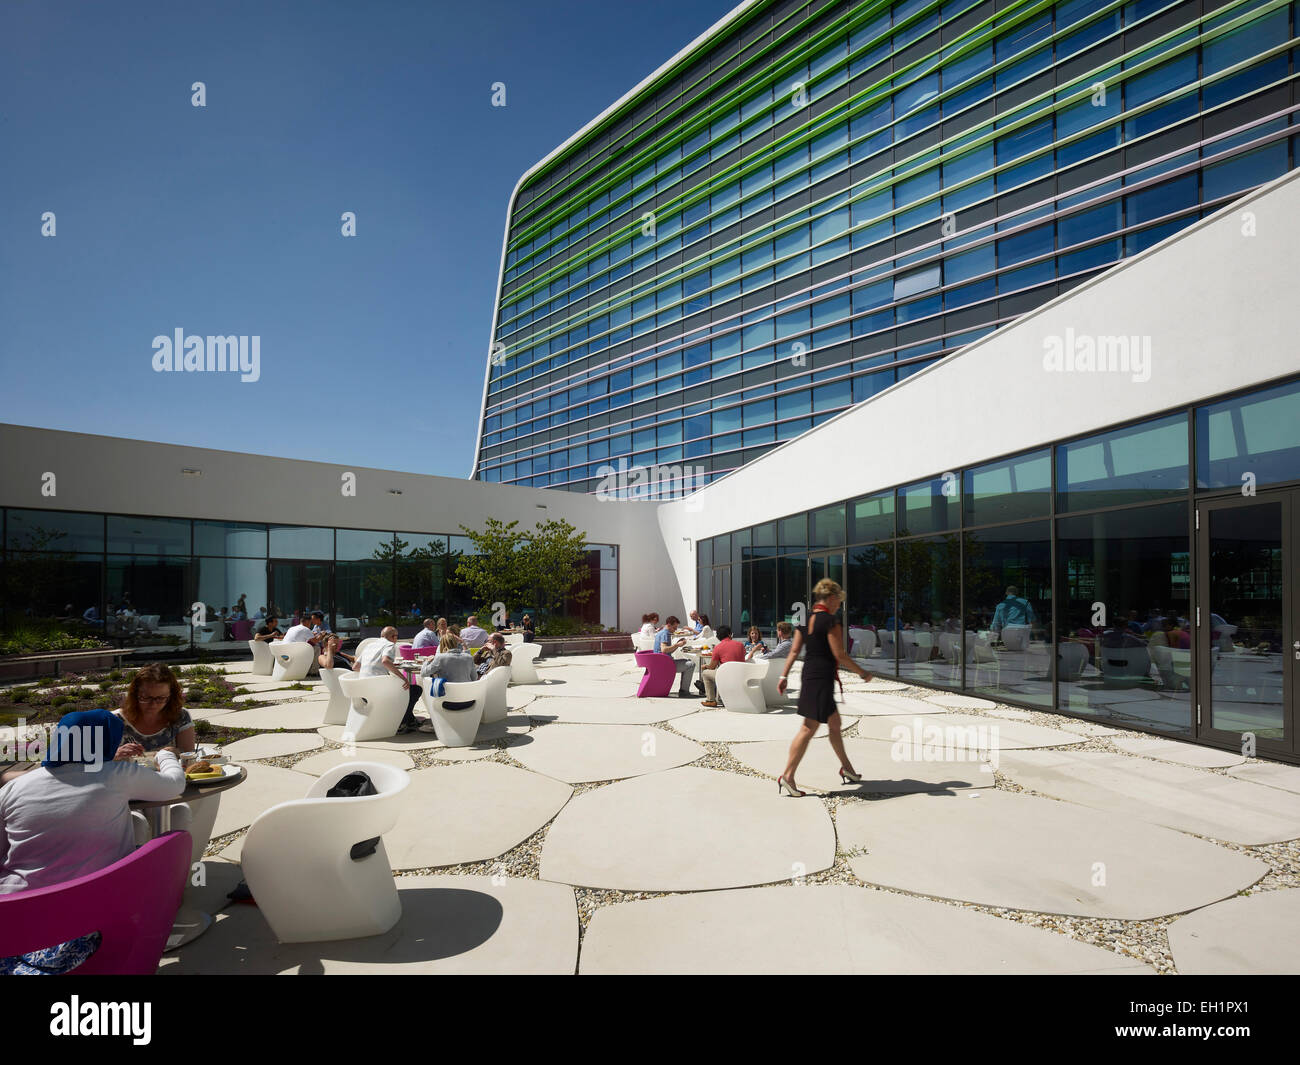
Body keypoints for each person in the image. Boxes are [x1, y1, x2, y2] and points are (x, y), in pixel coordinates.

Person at [0, 710, 189, 977]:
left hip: (14, 921)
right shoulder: (116, 774)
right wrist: (166, 756)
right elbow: (174, 785)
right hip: (89, 920)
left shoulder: (15, 789)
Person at [775, 579, 870, 796]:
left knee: (834, 724)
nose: (839, 605)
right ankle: (788, 776)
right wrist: (862, 672)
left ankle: (848, 769)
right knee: (808, 728)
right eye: (839, 600)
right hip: (822, 679)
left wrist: (784, 675)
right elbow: (840, 655)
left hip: (810, 676)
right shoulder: (830, 621)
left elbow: (793, 651)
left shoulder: (805, 620)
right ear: (831, 597)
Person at [112, 663, 196, 757]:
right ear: (135, 694)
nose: (153, 704)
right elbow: (96, 762)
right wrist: (114, 754)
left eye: (161, 698)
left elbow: (189, 756)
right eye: (146, 697)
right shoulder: (114, 720)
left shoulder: (180, 716)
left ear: (171, 696)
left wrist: (176, 752)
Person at [355, 626, 423, 733]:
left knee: (405, 690)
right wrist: (403, 678)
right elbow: (385, 661)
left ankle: (409, 720)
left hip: (363, 692)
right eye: (397, 637)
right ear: (393, 637)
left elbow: (355, 667)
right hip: (378, 692)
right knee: (415, 690)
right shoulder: (389, 644)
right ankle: (401, 722)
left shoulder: (369, 645)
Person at [699, 625, 745, 707]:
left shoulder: (718, 647)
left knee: (706, 673)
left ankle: (710, 700)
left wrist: (705, 666)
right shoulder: (740, 645)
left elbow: (712, 667)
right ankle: (720, 697)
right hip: (740, 675)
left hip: (726, 676)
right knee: (720, 671)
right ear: (729, 634)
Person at [653, 616, 695, 697]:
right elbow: (664, 650)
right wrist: (677, 644)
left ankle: (684, 691)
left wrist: (677, 645)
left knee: (688, 661)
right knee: (691, 664)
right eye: (674, 627)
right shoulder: (665, 633)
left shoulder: (661, 632)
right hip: (665, 664)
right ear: (669, 625)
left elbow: (667, 651)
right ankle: (684, 692)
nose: (675, 630)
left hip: (660, 662)